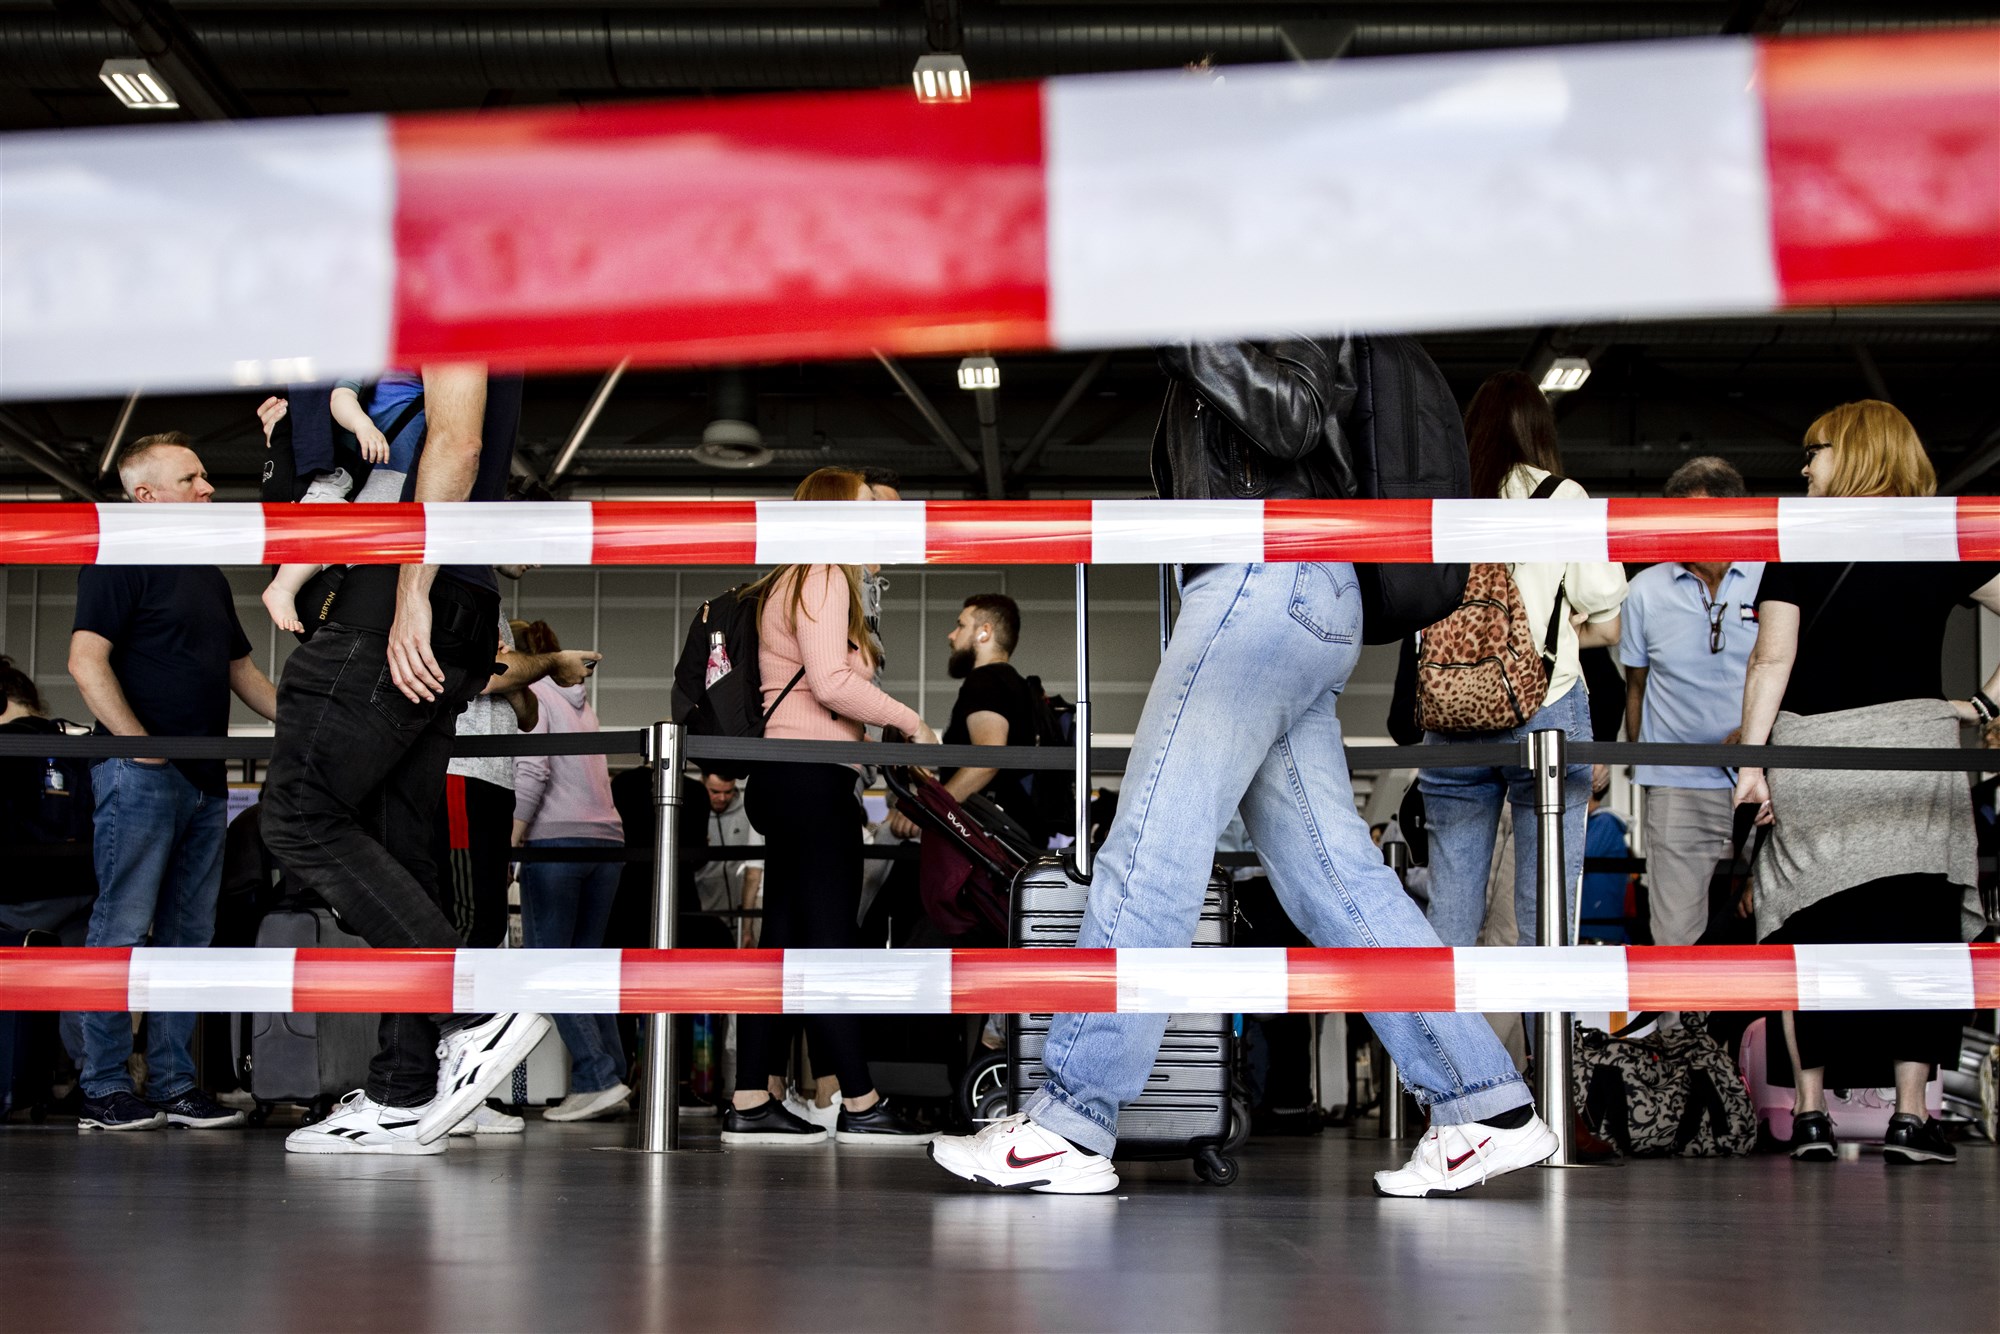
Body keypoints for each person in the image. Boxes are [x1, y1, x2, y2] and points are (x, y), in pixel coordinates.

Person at [930, 339, 1558, 1196]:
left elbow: (1291, 416)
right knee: (1338, 881)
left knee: (1150, 849)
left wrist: (1188, 324)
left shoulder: (1254, 286)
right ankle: (1483, 1103)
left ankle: (1069, 1121)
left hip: (1265, 580)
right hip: (1287, 585)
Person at [262, 367, 588, 1155]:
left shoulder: (449, 300)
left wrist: (412, 588)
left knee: (299, 813)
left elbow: (458, 440)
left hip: (406, 588)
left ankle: (476, 1011)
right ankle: (403, 1091)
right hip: (452, 597)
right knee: (400, 844)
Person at [1734, 399, 1997, 1167]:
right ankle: (1911, 1117)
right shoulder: (1940, 537)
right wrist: (1984, 706)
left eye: (1813, 451)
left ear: (1850, 452)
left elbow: (1771, 660)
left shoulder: (1800, 539)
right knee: (1919, 930)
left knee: (1809, 927)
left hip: (1815, 755)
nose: (1804, 467)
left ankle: (1811, 1113)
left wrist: (1752, 764)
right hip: (1917, 758)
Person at [66, 433, 279, 1132]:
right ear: (145, 494)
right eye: (191, 478)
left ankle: (173, 1084)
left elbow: (242, 672)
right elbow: (85, 661)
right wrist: (138, 745)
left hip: (204, 782)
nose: (208, 487)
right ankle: (103, 1087)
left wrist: (308, 722)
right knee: (122, 926)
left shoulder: (206, 575)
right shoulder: (118, 558)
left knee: (190, 933)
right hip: (140, 776)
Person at [723, 467, 941, 1147]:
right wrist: (911, 721)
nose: (878, 516)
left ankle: (751, 1097)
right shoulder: (821, 573)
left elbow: (816, 693)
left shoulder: (797, 577)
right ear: (835, 512)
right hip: (810, 784)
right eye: (866, 504)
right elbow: (829, 681)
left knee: (785, 943)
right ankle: (861, 1101)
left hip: (791, 779)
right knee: (829, 944)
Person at [1418, 372, 1627, 950]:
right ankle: (1547, 1015)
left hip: (1452, 713)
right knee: (1546, 912)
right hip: (1545, 709)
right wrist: (1561, 628)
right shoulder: (1562, 497)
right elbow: (1608, 619)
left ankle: (1444, 1015)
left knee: (1450, 913)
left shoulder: (1444, 501)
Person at [1620, 456, 1763, 949]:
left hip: (1765, 776)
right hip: (1677, 783)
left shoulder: (1772, 578)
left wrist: (1758, 735)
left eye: (1692, 515)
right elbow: (1635, 686)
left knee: (1773, 916)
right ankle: (1680, 1007)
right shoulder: (1643, 591)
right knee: (1676, 935)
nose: (1678, 528)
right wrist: (1641, 766)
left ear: (1732, 514)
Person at [511, 620, 631, 1124]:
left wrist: (511, 843)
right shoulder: (580, 704)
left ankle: (597, 1078)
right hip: (606, 841)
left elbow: (533, 769)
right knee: (585, 965)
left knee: (549, 965)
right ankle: (610, 1077)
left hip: (556, 840)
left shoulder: (534, 696)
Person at [256, 373, 428, 635]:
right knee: (331, 517)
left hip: (339, 468)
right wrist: (363, 425)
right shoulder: (353, 361)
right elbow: (341, 397)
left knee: (342, 524)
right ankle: (282, 588)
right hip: (320, 469)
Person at [889, 592, 1046, 844]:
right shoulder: (1018, 685)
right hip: (1009, 832)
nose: (952, 635)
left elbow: (989, 757)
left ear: (984, 632)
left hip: (984, 833)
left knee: (887, 838)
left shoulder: (985, 680)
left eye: (961, 625)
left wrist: (932, 809)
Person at [0, 655, 94, 1074]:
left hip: (19, 898)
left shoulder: (6, 745)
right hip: (84, 890)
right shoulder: (78, 741)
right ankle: (94, 1079)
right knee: (80, 977)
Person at [435, 592, 541, 949]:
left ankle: (467, 985)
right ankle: (454, 987)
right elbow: (480, 679)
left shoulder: (494, 608)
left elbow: (529, 716)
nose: (533, 565)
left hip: (497, 779)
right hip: (460, 772)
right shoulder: (452, 591)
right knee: (467, 916)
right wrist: (536, 666)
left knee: (491, 919)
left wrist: (510, 675)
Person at [695, 773, 763, 949]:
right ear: (702, 783)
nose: (722, 798)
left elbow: (753, 870)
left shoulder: (747, 813)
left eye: (728, 792)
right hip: (704, 917)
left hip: (741, 915)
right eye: (715, 792)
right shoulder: (693, 815)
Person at [1580, 767, 1632, 944]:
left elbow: (1579, 855)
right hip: (1591, 925)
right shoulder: (1596, 823)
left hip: (1598, 927)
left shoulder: (1605, 822)